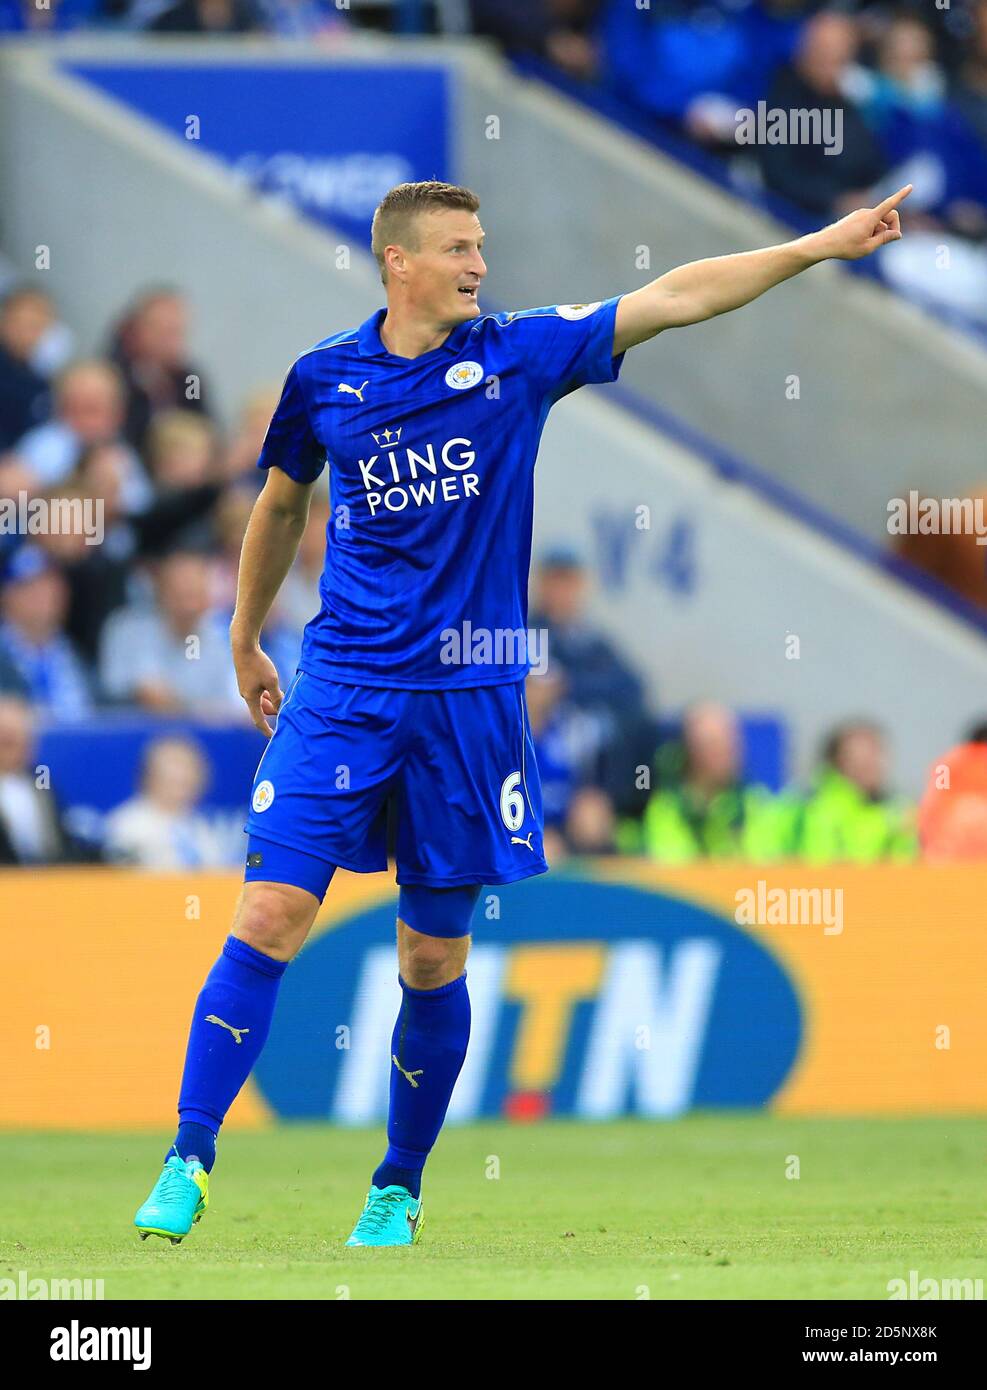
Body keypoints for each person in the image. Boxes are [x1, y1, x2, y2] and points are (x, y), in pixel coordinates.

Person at [132, 176, 913, 1248]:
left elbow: (678, 296)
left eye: (483, 246)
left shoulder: (521, 356)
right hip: (344, 690)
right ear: (398, 262)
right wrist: (241, 635)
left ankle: (397, 1184)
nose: (479, 265)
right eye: (459, 248)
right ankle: (188, 1155)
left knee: (429, 959)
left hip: (468, 709)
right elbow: (279, 501)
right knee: (268, 911)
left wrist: (819, 242)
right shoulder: (324, 379)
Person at [640, 702, 795, 862]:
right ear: (693, 750)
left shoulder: (756, 800)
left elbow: (767, 860)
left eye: (732, 741)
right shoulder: (668, 806)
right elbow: (673, 868)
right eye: (714, 743)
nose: (728, 751)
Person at [793, 721, 916, 862]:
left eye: (876, 755)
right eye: (861, 758)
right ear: (838, 761)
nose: (872, 765)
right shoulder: (810, 807)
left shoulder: (900, 808)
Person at [104, 735, 226, 869]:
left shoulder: (198, 824)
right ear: (150, 776)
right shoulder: (129, 825)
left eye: (189, 774)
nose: (184, 777)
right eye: (174, 780)